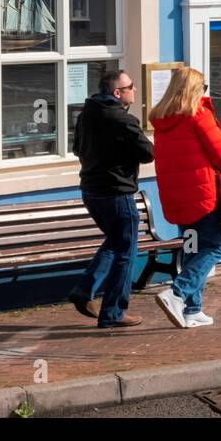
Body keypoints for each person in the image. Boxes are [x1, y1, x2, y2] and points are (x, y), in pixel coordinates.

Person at [70, 68, 155, 329]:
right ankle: (114, 312)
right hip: (117, 193)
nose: (135, 90)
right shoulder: (122, 119)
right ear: (117, 93)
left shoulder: (86, 115)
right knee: (126, 251)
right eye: (130, 87)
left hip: (91, 191)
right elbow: (148, 153)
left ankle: (85, 289)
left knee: (117, 242)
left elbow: (77, 149)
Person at [149, 67, 221, 329]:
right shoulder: (198, 114)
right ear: (194, 89)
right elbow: (220, 155)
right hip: (203, 195)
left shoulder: (161, 120)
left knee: (192, 248)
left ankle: (192, 309)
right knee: (216, 246)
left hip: (177, 198)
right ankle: (176, 293)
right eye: (203, 88)